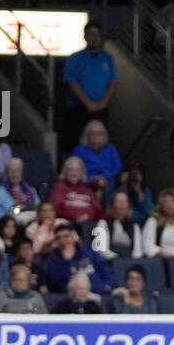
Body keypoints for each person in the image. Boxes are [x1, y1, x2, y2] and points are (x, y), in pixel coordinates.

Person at [62, 21, 118, 154]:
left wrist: (103, 103)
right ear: (85, 37)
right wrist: (88, 103)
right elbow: (72, 82)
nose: (95, 37)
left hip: (101, 109)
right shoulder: (75, 58)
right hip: (79, 108)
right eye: (92, 34)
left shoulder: (107, 59)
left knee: (101, 144)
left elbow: (112, 82)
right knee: (77, 144)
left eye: (98, 34)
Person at [43, 221, 112, 295]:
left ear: (73, 237)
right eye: (59, 238)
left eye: (66, 236)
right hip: (73, 297)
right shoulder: (53, 261)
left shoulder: (89, 253)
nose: (63, 240)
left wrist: (107, 286)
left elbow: (105, 270)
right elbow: (58, 282)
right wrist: (67, 260)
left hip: (98, 293)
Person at [72, 119, 122, 195]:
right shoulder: (80, 150)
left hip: (107, 181)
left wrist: (104, 177)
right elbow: (74, 169)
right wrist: (92, 179)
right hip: (86, 181)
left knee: (112, 186)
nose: (96, 136)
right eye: (92, 133)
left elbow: (117, 168)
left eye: (99, 133)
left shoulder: (111, 149)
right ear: (87, 136)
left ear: (104, 135)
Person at [49, 156, 104, 224]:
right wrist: (75, 218)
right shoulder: (59, 187)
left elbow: (97, 210)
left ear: (82, 173)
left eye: (77, 170)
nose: (74, 173)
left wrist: (89, 216)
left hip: (88, 224)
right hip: (68, 225)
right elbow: (57, 208)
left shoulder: (87, 189)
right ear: (65, 172)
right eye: (70, 170)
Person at [92, 191, 143, 259]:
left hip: (130, 263)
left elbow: (138, 251)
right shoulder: (102, 223)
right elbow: (101, 250)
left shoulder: (135, 226)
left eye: (125, 201)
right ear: (112, 205)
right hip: (110, 262)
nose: (122, 204)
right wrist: (118, 260)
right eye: (118, 201)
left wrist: (131, 262)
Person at [0, 157, 40, 223]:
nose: (15, 174)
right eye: (12, 171)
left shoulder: (31, 189)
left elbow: (38, 206)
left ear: (21, 172)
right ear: (7, 173)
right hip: (13, 223)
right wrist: (11, 211)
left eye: (17, 171)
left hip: (32, 220)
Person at [112, 159, 153, 224]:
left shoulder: (144, 189)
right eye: (131, 174)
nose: (133, 177)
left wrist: (139, 192)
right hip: (118, 221)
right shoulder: (114, 186)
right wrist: (123, 186)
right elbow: (109, 207)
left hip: (138, 223)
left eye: (137, 174)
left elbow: (149, 211)